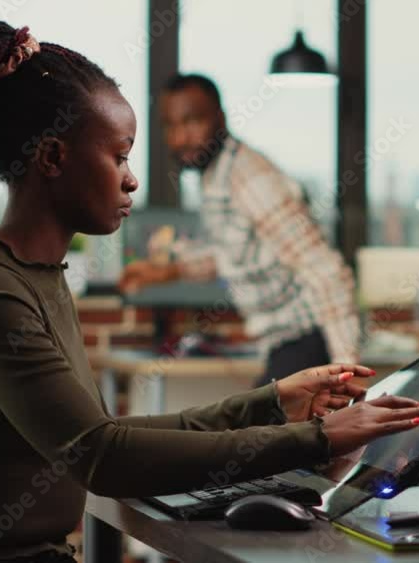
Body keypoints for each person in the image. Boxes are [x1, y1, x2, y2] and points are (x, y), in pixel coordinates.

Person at [0, 21, 419, 563]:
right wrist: (320, 437)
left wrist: (273, 404)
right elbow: (104, 457)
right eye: (118, 157)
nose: (132, 179)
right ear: (52, 158)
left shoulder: (35, 277)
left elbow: (105, 435)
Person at [118, 74, 360, 387]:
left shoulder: (249, 178)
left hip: (310, 340)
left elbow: (328, 273)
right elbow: (234, 252)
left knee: (254, 431)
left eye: (192, 121)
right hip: (285, 344)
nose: (180, 138)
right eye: (170, 126)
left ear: (220, 117)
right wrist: (166, 272)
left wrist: (349, 372)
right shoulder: (216, 174)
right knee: (251, 429)